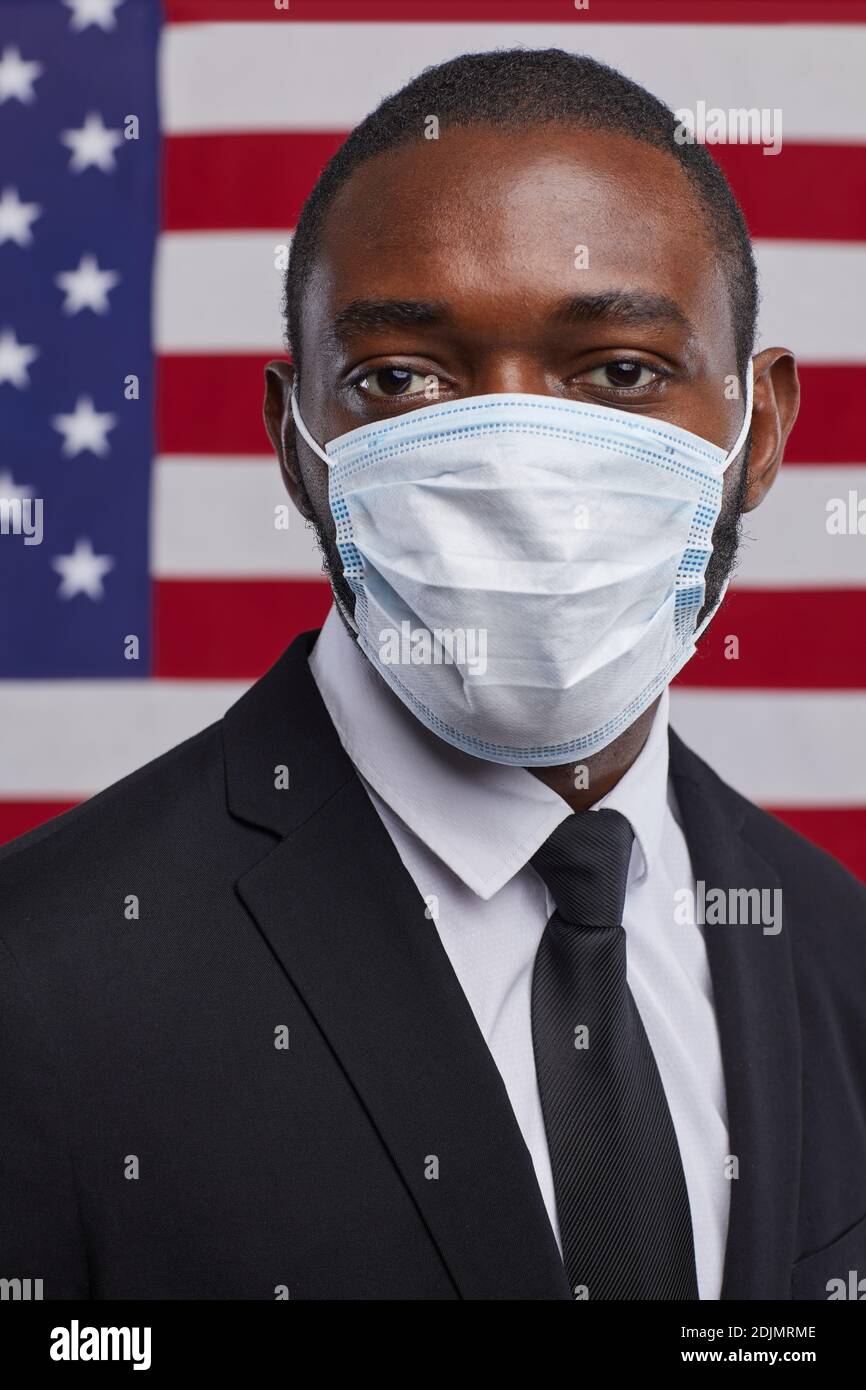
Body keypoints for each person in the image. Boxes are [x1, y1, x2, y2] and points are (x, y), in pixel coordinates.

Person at [1, 48, 864, 1302]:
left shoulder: (836, 952)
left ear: (761, 427)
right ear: (293, 442)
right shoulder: (40, 980)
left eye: (618, 371)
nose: (513, 465)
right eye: (401, 378)